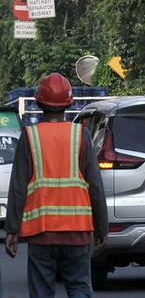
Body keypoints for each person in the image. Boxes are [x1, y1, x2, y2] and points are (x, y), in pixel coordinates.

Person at [5, 73, 107, 298]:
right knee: (79, 287)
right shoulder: (81, 135)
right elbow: (95, 186)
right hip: (78, 232)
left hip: (42, 234)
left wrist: (12, 230)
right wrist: (102, 227)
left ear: (39, 103)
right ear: (68, 104)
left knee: (42, 292)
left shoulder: (30, 136)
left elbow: (18, 187)